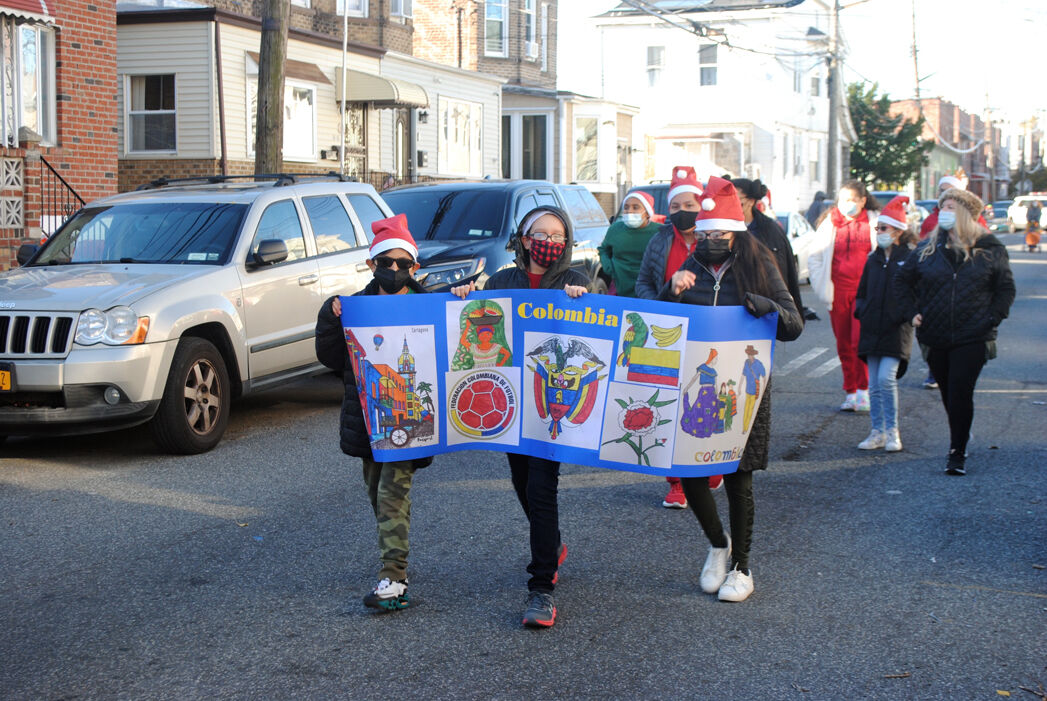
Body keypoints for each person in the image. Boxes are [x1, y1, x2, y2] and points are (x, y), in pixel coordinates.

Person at [659, 176, 803, 602]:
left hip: (743, 391)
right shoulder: (691, 269)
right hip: (699, 388)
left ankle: (742, 566)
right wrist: (672, 293)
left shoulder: (760, 263)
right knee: (691, 471)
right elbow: (657, 327)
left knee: (740, 479)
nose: (711, 240)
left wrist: (768, 307)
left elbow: (794, 325)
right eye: (704, 234)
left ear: (736, 231)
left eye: (719, 233)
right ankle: (717, 545)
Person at [450, 206, 588, 628]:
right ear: (524, 239)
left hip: (550, 401)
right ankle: (552, 545)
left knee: (543, 488)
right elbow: (478, 322)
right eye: (541, 233)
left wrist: (585, 300)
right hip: (511, 405)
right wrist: (464, 297)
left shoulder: (575, 280)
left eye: (558, 235)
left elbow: (595, 326)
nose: (551, 241)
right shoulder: (501, 281)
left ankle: (541, 588)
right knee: (522, 482)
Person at [314, 213, 432, 612]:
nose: (394, 270)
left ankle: (394, 577)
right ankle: (395, 553)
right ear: (372, 265)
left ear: (414, 267)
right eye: (386, 263)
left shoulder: (429, 304)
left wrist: (463, 299)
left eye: (402, 264)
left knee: (391, 491)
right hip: (367, 421)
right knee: (377, 491)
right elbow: (332, 358)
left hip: (407, 420)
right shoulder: (354, 307)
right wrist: (331, 320)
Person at [894, 188, 1015, 475]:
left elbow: (1005, 288)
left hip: (973, 334)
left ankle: (956, 452)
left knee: (961, 390)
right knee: (949, 392)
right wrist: (911, 314)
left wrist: (992, 318)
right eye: (942, 207)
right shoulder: (928, 248)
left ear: (965, 213)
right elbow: (901, 281)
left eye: (950, 207)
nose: (943, 212)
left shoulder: (989, 248)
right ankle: (961, 432)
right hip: (934, 334)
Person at [634, 166, 718, 507]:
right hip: (668, 334)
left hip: (709, 333)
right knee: (672, 404)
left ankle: (710, 465)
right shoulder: (659, 241)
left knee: (708, 400)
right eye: (675, 206)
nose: (683, 212)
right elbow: (642, 283)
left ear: (702, 205)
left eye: (690, 204)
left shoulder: (716, 238)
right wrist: (654, 309)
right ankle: (677, 484)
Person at [808, 180, 880, 412]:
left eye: (851, 200)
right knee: (843, 343)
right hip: (838, 292)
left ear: (862, 201)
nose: (846, 204)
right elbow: (815, 257)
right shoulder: (830, 223)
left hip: (865, 294)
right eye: (842, 199)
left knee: (860, 341)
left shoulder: (874, 221)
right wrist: (821, 287)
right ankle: (850, 390)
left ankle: (864, 389)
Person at [854, 196, 916, 452]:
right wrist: (862, 311)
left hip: (896, 330)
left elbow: (915, 292)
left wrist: (906, 314)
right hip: (871, 328)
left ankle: (892, 431)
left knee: (886, 379)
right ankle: (876, 431)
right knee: (874, 384)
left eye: (883, 228)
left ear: (898, 231)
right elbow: (862, 292)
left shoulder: (909, 259)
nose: (878, 233)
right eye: (877, 228)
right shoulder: (873, 259)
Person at [731, 177, 806, 320]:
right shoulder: (722, 229)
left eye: (736, 199)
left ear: (751, 201)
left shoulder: (769, 229)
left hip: (763, 301)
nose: (732, 205)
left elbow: (782, 269)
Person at [598, 191, 662, 298]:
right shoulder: (615, 229)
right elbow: (603, 250)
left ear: (647, 212)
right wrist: (609, 268)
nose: (629, 211)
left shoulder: (659, 231)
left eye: (636, 207)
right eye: (626, 207)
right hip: (619, 284)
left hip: (648, 288)